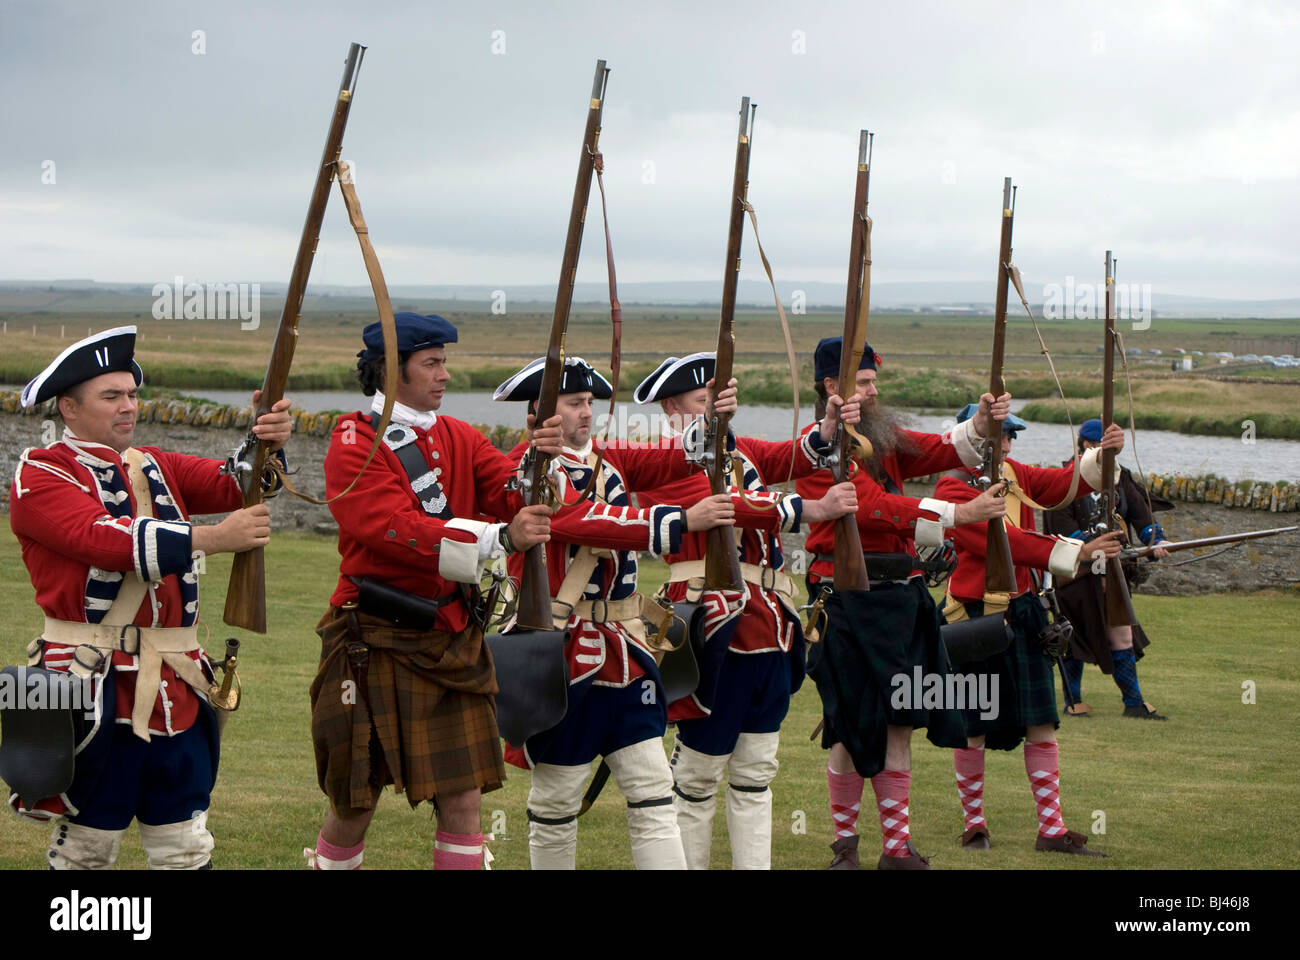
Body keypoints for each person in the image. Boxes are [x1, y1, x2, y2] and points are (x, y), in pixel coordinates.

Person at [6, 325, 292, 869]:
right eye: (111, 396)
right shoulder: (40, 474)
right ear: (68, 407)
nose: (128, 407)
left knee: (185, 844)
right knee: (87, 848)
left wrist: (265, 439)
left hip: (176, 692)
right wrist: (212, 538)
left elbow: (237, 483)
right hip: (91, 691)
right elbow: (103, 538)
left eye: (131, 395)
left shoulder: (153, 464)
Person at [305, 313, 562, 871]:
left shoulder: (459, 435)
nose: (445, 374)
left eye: (444, 361)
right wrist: (498, 538)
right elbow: (393, 529)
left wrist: (538, 463)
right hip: (372, 639)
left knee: (465, 798)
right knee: (355, 799)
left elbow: (507, 493)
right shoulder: (352, 443)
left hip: (449, 638)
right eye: (433, 363)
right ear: (392, 370)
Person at [494, 355, 741, 870]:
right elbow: (581, 520)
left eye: (588, 402)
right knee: (556, 803)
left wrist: (714, 420)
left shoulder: (609, 459)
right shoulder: (529, 471)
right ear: (541, 412)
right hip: (564, 660)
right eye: (573, 403)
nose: (586, 412)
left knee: (653, 792)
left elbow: (676, 458)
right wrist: (679, 520)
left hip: (626, 655)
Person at [632, 350, 860, 870]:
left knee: (757, 770)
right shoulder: (668, 466)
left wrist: (825, 426)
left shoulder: (741, 452)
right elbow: (725, 504)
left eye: (721, 397)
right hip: (715, 633)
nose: (720, 407)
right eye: (704, 399)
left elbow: (792, 456)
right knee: (698, 775)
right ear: (673, 408)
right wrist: (806, 508)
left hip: (771, 629)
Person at [795, 336, 1010, 870]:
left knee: (900, 718)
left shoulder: (878, 434)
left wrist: (981, 425)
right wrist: (959, 515)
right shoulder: (817, 448)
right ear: (832, 387)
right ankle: (845, 848)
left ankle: (895, 849)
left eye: (871, 382)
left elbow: (933, 448)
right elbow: (873, 508)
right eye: (864, 383)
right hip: (846, 600)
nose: (873, 390)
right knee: (847, 725)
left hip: (898, 600)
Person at [935, 405, 1127, 855]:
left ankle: (1052, 829)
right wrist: (1076, 552)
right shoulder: (952, 486)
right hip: (976, 616)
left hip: (1023, 612)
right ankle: (975, 824)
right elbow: (1000, 539)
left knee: (1042, 721)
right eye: (998, 436)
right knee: (973, 726)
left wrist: (1103, 457)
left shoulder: (1015, 474)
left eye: (1009, 438)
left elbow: (1066, 484)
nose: (1005, 445)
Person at [1042, 419, 1173, 719]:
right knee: (1072, 637)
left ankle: (1134, 703)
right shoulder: (1065, 476)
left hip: (1113, 573)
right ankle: (1073, 701)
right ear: (1088, 446)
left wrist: (1156, 540)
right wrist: (1093, 545)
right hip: (1075, 573)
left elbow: (1142, 516)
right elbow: (1060, 529)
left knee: (1121, 635)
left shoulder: (1120, 477)